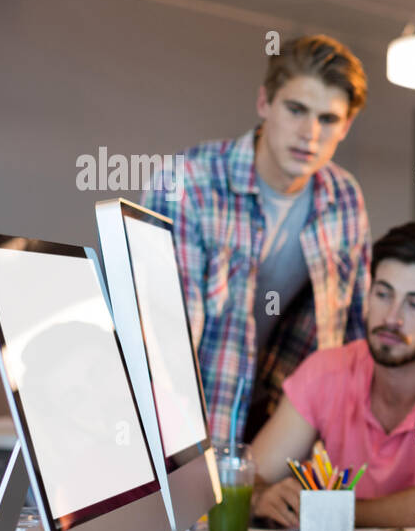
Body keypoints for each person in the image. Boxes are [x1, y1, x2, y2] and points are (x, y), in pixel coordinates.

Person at [144, 34, 371, 446]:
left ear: (347, 126)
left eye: (328, 119)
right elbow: (167, 343)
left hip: (288, 439)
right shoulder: (188, 183)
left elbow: (353, 340)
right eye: (296, 109)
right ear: (265, 102)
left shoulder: (343, 198)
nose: (309, 133)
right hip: (193, 427)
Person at [248, 221, 415, 529]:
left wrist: (323, 510)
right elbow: (249, 476)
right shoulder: (327, 370)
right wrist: (261, 496)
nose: (392, 318)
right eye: (383, 294)